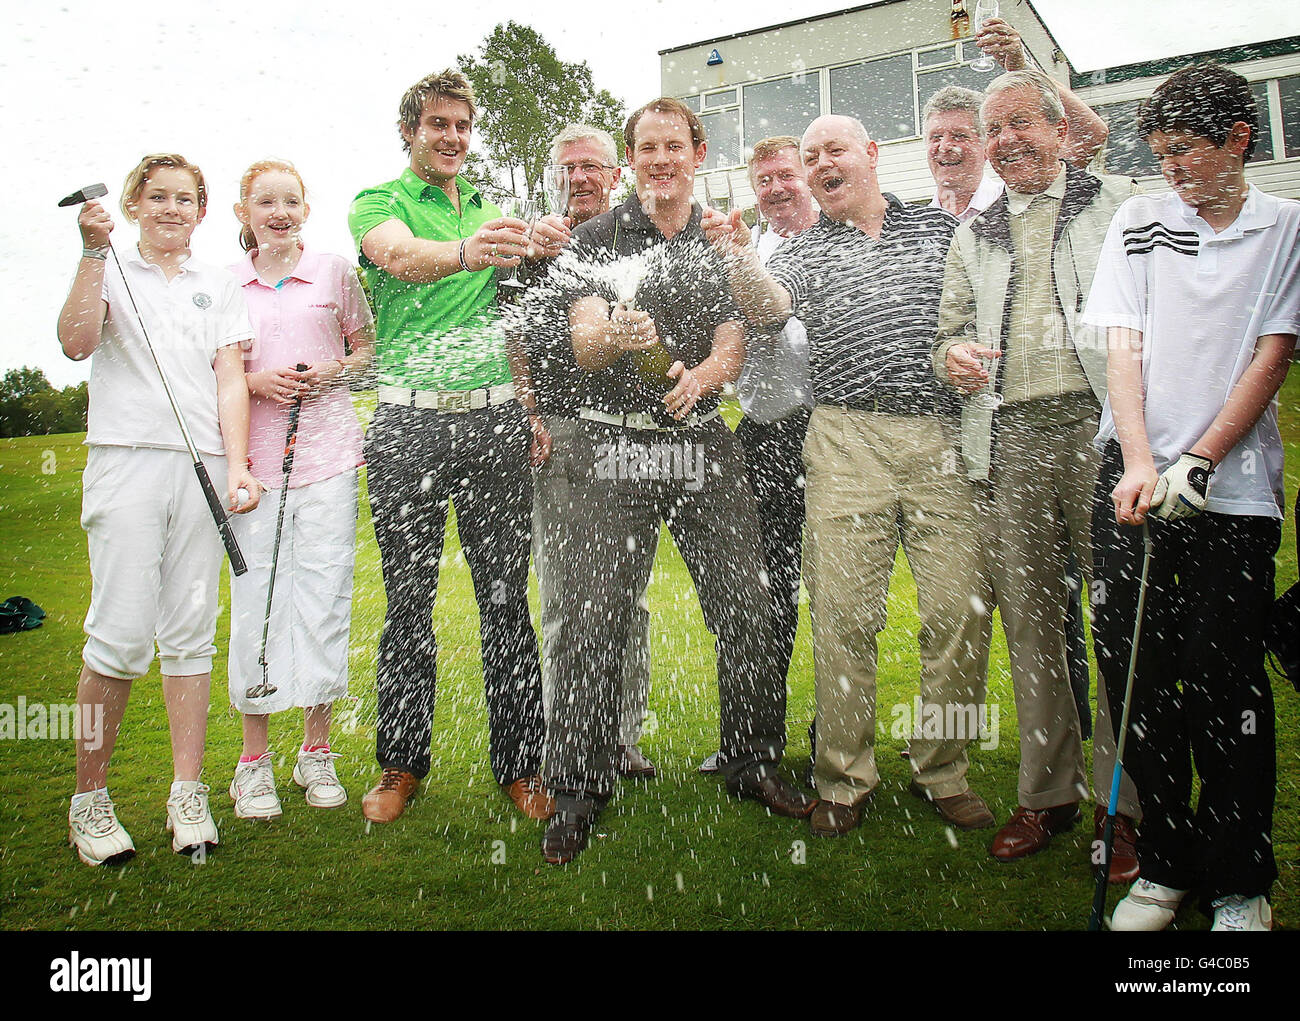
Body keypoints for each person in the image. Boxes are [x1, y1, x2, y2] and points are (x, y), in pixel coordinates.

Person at [543, 97, 816, 864]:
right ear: (631, 160)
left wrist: (703, 375)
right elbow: (586, 342)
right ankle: (578, 784)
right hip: (615, 449)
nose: (661, 159)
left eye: (674, 145)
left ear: (697, 151)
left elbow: (736, 336)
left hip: (701, 446)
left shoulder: (723, 232)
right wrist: (615, 336)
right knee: (595, 617)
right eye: (647, 148)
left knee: (748, 603)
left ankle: (751, 759)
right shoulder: (598, 236)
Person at [706, 115, 994, 838]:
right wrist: (742, 254)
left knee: (957, 612)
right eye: (810, 157)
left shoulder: (937, 229)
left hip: (939, 439)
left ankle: (942, 766)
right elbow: (768, 307)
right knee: (843, 615)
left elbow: (971, 314)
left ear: (871, 154)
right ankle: (842, 774)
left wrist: (960, 354)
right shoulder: (805, 249)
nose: (820, 164)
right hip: (842, 439)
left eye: (834, 150)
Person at [1086, 63, 1297, 931]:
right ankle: (1166, 865)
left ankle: (1241, 877)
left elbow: (1272, 354)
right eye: (1159, 152)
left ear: (1238, 141)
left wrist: (1202, 459)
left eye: (1185, 152)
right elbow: (1125, 349)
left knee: (1226, 686)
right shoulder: (1139, 220)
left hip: (1233, 494)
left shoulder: (1286, 229)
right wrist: (1139, 459)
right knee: (1140, 683)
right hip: (1131, 479)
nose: (1168, 168)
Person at [932, 69, 1141, 876]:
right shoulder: (973, 231)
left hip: (1100, 434)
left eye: (1024, 123)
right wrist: (949, 356)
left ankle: (1124, 804)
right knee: (1030, 624)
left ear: (1060, 130)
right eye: (997, 129)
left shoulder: (1116, 206)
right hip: (1007, 442)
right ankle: (1045, 794)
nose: (1009, 140)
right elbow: (945, 334)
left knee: (1116, 623)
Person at [348, 70, 569, 824]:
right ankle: (401, 763)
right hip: (408, 425)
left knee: (505, 600)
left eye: (461, 127)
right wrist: (470, 250)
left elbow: (509, 322)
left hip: (494, 422)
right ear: (410, 131)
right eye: (437, 125)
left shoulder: (490, 210)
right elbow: (402, 258)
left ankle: (521, 764)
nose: (451, 138)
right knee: (409, 602)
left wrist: (531, 408)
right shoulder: (377, 203)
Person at [59, 153, 260, 865]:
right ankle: (90, 798)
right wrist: (89, 252)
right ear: (134, 205)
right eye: (158, 197)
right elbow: (76, 341)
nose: (173, 208)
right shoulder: (109, 267)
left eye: (186, 198)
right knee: (117, 637)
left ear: (203, 211)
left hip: (202, 468)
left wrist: (237, 464)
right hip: (127, 460)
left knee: (190, 635)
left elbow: (230, 378)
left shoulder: (219, 284)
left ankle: (187, 791)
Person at [225, 159, 375, 818]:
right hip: (254, 467)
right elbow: (219, 374)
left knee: (323, 598)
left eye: (291, 201)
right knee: (258, 600)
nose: (280, 212)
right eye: (266, 202)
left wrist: (333, 371)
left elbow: (370, 351)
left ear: (305, 211)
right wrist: (258, 383)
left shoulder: (337, 272)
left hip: (331, 460)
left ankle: (316, 750)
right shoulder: (224, 284)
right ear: (244, 214)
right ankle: (252, 760)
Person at [510, 124, 658, 781]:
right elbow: (513, 340)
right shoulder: (533, 248)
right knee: (567, 594)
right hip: (564, 433)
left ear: (614, 174)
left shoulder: (638, 236)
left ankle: (622, 734)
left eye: (592, 167)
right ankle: (568, 736)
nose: (580, 178)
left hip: (633, 434)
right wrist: (530, 413)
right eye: (569, 168)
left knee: (628, 595)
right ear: (555, 176)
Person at [699, 135, 817, 778]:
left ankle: (835, 736)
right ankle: (754, 739)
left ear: (805, 175)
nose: (774, 188)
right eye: (762, 179)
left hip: (828, 431)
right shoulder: (754, 248)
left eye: (784, 175)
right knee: (763, 590)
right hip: (766, 434)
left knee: (839, 593)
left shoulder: (836, 237)